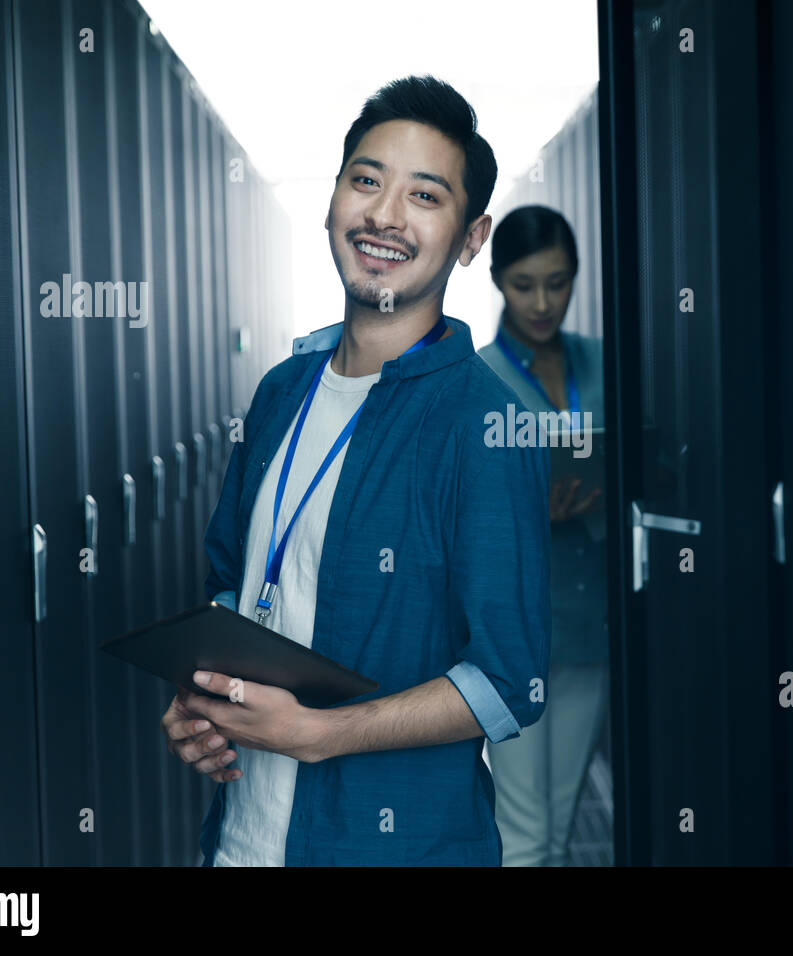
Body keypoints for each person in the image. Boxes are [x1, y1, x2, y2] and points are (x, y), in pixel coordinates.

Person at [159, 75, 552, 866]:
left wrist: (319, 735)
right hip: (242, 841)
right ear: (333, 198)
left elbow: (510, 681)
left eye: (425, 196)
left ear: (472, 239)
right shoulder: (281, 392)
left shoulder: (484, 423)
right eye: (366, 181)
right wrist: (203, 701)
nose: (384, 216)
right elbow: (236, 588)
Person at [477, 205, 609, 866]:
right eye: (525, 284)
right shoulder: (476, 380)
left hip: (590, 620)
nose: (541, 301)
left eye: (557, 283)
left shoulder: (605, 362)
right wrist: (534, 511)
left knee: (558, 823)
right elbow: (456, 514)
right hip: (512, 630)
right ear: (498, 279)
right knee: (524, 829)